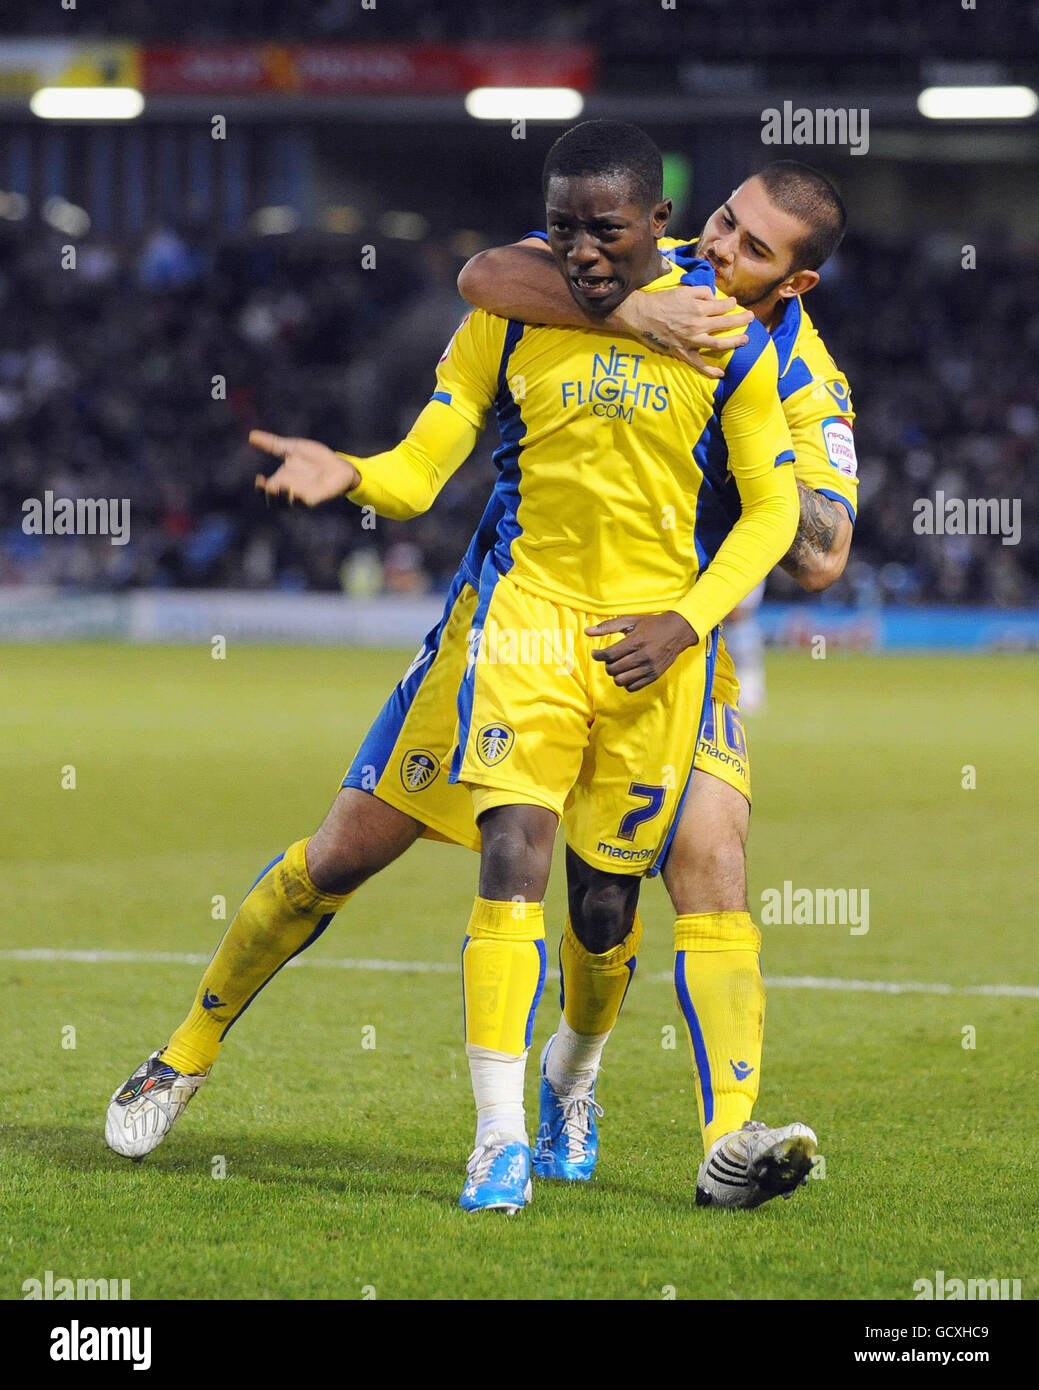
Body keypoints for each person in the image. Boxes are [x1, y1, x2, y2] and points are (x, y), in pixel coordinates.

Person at [105, 122, 801, 1214]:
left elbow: (779, 513)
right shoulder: (510, 312)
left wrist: (686, 621)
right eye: (561, 224)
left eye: (602, 229)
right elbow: (428, 465)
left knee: (607, 905)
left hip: (650, 652)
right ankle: (423, 1118)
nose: (575, 248)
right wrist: (354, 472)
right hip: (512, 628)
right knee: (409, 851)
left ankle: (573, 1082)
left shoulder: (734, 338)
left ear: (657, 223)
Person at [457, 159, 858, 1206]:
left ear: (794, 284)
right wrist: (635, 311)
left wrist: (745, 421)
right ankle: (555, 1085)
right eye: (724, 220)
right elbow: (488, 275)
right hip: (542, 615)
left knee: (711, 854)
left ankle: (729, 1144)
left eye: (753, 249)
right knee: (578, 895)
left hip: (686, 640)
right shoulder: (647, 266)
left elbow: (820, 553)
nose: (722, 250)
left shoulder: (802, 372)